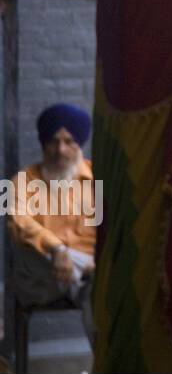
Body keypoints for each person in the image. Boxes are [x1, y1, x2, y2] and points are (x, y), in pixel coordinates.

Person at [7, 103, 97, 342]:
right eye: (53, 141)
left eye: (69, 142)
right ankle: (86, 269)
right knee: (30, 249)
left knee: (97, 294)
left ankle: (104, 364)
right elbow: (18, 221)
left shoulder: (97, 179)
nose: (60, 150)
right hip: (41, 279)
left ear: (80, 145)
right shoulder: (22, 180)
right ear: (43, 144)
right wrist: (57, 249)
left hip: (84, 281)